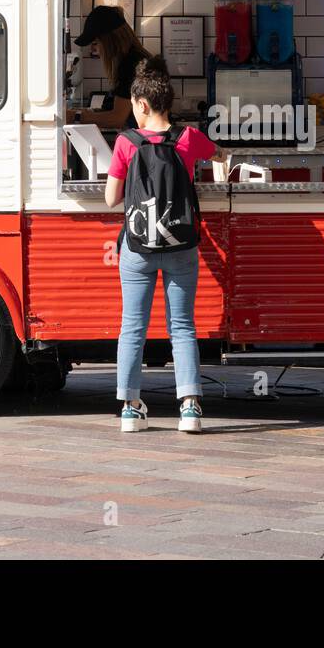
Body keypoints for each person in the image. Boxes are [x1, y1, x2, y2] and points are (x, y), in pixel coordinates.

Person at [105, 56, 223, 433]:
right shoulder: (188, 138)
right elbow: (218, 154)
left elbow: (111, 199)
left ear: (142, 104)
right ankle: (189, 408)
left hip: (137, 248)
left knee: (133, 327)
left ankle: (130, 407)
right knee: (183, 326)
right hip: (181, 245)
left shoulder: (125, 142)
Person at [72, 4, 150, 129]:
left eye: (95, 43)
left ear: (110, 40)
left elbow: (117, 118)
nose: (93, 49)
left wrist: (75, 116)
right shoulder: (135, 58)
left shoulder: (131, 64)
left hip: (143, 143)